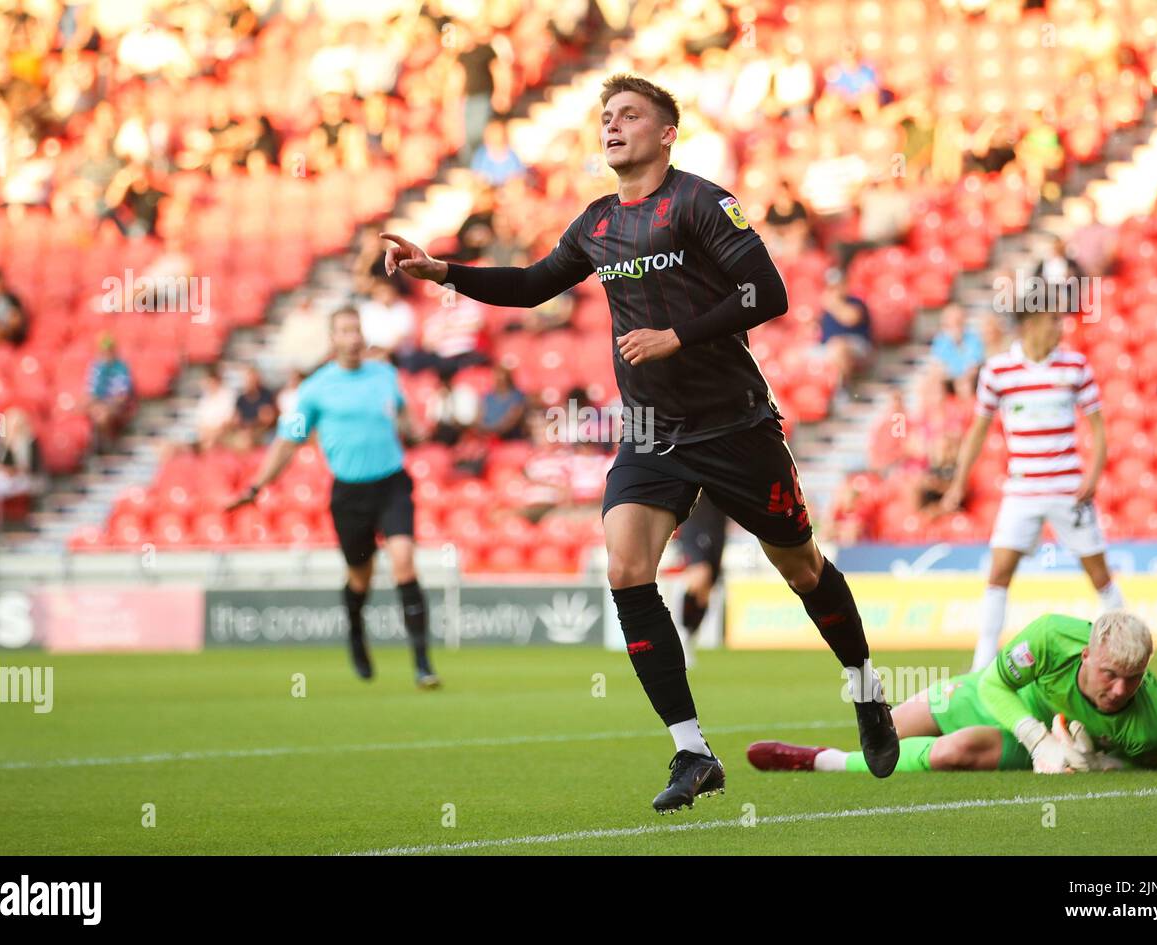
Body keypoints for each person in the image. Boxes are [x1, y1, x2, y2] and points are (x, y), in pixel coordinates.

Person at [383, 74, 898, 813]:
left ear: (666, 133)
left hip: (736, 424)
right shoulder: (596, 223)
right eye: (605, 116)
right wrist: (445, 273)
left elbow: (768, 292)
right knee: (627, 568)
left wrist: (677, 335)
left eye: (629, 114)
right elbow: (533, 285)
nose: (612, 125)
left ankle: (866, 688)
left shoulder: (703, 202)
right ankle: (692, 749)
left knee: (802, 566)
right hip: (653, 431)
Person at [227, 308, 439, 689]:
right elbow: (287, 442)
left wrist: (418, 429)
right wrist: (257, 486)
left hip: (392, 483)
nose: (352, 337)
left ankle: (423, 663)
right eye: (344, 331)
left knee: (404, 561)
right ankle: (357, 636)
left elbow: (406, 419)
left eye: (356, 330)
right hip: (350, 493)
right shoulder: (315, 389)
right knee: (361, 576)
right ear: (333, 339)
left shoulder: (385, 375)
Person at [748, 611, 1157, 775]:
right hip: (1001, 700)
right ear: (1085, 655)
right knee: (886, 734)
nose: (1120, 689)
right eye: (1109, 674)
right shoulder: (1050, 636)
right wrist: (1039, 740)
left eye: (1134, 677)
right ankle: (856, 753)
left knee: (952, 751)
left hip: (1021, 739)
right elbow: (994, 682)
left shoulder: (1154, 725)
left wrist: (1100, 763)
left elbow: (1146, 766)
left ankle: (818, 760)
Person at [941, 305, 1123, 672]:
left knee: (1099, 575)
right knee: (998, 573)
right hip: (1022, 490)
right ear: (1031, 324)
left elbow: (1100, 428)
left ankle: (1128, 647)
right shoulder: (998, 371)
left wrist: (1093, 475)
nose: (1061, 325)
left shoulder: (1074, 367)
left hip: (1068, 489)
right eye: (1054, 319)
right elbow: (978, 430)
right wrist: (958, 482)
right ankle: (981, 664)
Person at [673, 495, 727, 670]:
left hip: (717, 528)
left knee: (705, 592)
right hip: (693, 524)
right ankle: (680, 634)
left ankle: (688, 638)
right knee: (700, 575)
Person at [86, 334, 135, 452]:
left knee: (103, 416)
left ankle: (109, 446)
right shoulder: (97, 367)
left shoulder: (121, 367)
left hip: (116, 406)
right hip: (100, 404)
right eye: (104, 351)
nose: (106, 354)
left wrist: (106, 406)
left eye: (109, 350)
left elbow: (121, 396)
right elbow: (92, 392)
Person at [930, 303, 985, 385]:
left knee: (965, 383)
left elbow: (973, 366)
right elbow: (937, 364)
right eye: (950, 322)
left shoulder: (974, 338)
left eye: (958, 321)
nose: (955, 325)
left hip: (968, 381)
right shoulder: (941, 340)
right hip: (947, 379)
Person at [233, 366, 277, 448]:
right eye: (248, 379)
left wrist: (250, 425)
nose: (250, 382)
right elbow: (236, 419)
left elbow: (267, 419)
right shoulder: (241, 399)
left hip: (261, 431)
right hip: (244, 431)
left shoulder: (266, 396)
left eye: (252, 379)